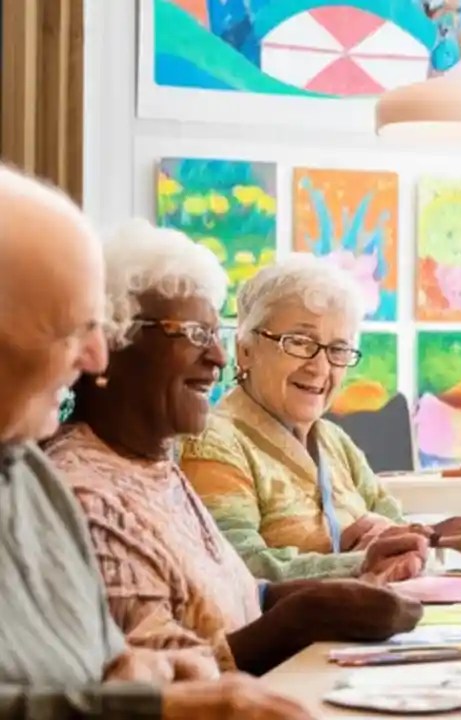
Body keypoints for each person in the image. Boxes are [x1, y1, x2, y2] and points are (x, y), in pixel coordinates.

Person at [0, 164, 313, 718]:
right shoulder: (77, 483)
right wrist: (159, 706)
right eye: (72, 328)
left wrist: (128, 668)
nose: (93, 355)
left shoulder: (27, 471)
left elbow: (80, 659)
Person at [45, 219, 424, 676]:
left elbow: (232, 597)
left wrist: (350, 585)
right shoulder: (86, 495)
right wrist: (300, 618)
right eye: (192, 334)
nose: (218, 359)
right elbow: (155, 685)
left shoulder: (154, 466)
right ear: (106, 345)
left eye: (214, 335)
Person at [181, 254, 461, 582]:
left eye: (338, 350)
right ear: (245, 349)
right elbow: (237, 570)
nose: (320, 367)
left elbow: (394, 531)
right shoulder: (213, 442)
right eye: (299, 342)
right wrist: (358, 562)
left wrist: (434, 537)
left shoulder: (333, 441)